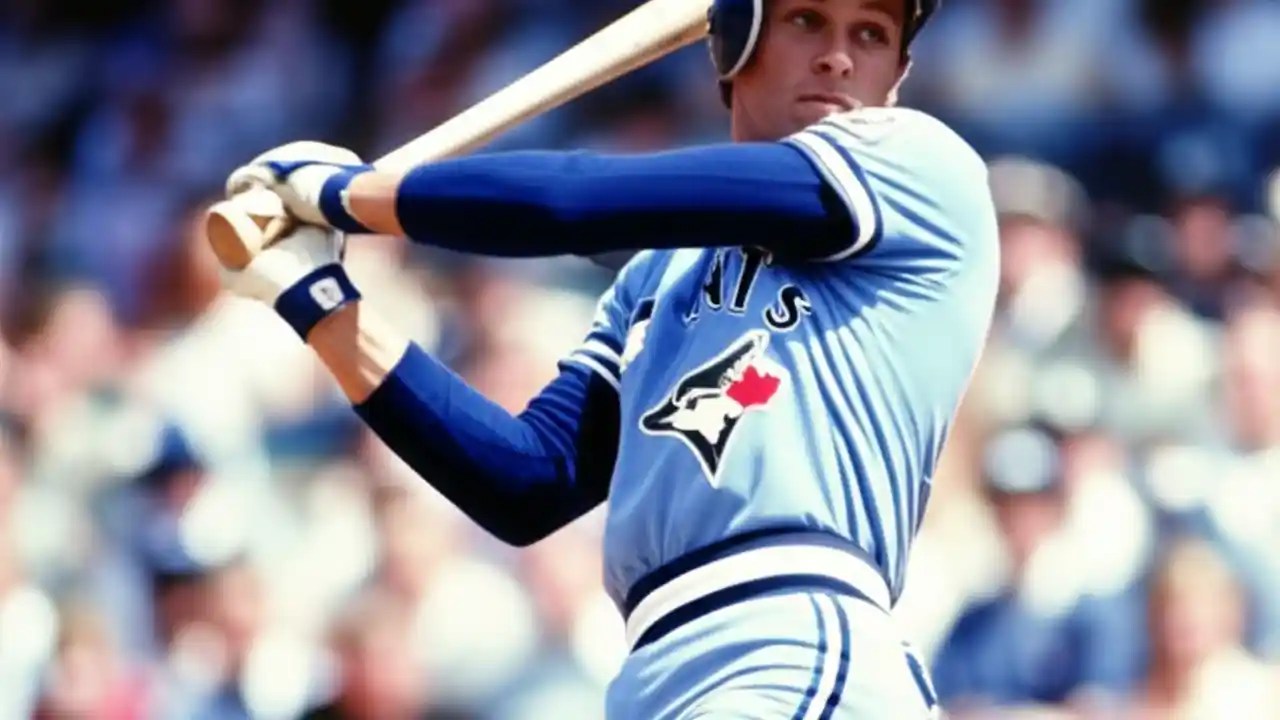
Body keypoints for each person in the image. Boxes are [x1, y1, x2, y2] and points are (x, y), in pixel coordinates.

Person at [216, 0, 998, 716]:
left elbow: (574, 203)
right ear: (735, 43)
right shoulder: (657, 273)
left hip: (794, 635)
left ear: (899, 72)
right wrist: (316, 297)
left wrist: (344, 194)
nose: (837, 57)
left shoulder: (920, 167)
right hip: (654, 670)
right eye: (805, 20)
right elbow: (527, 481)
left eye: (871, 33)